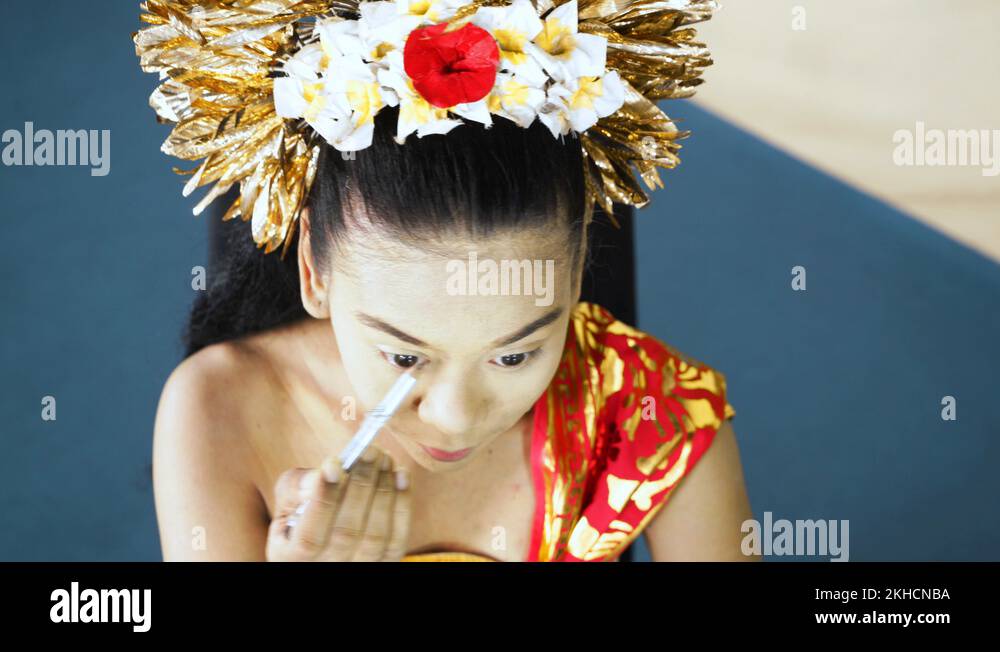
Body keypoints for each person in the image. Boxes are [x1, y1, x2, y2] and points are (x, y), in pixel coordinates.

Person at [140, 0, 756, 561]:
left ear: (575, 277)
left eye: (515, 354)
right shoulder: (219, 413)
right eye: (405, 354)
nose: (457, 417)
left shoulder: (656, 413)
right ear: (313, 271)